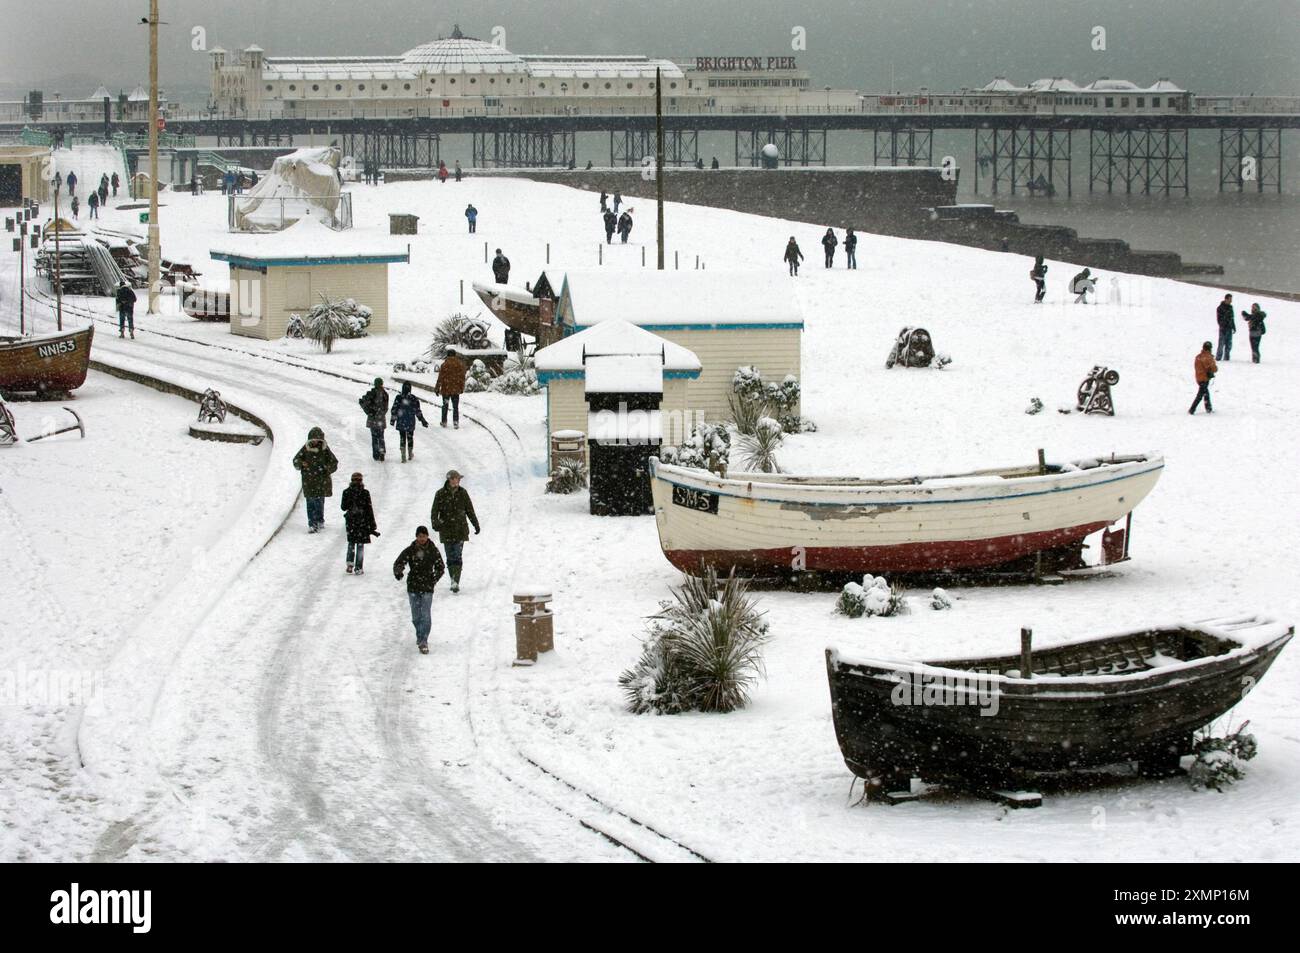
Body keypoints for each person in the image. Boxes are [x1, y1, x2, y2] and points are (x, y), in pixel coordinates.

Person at [392, 526, 445, 654]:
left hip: (427, 586)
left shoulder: (433, 551)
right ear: (416, 537)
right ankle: (420, 634)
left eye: (424, 536)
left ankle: (423, 640)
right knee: (416, 616)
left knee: (425, 615)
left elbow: (440, 567)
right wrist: (398, 571)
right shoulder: (410, 550)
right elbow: (399, 562)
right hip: (413, 586)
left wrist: (433, 579)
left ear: (427, 536)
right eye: (419, 536)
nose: (422, 539)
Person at [430, 469, 480, 593]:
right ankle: (453, 577)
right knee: (449, 556)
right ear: (449, 480)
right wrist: (435, 523)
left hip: (460, 530)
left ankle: (455, 581)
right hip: (446, 529)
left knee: (457, 555)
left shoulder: (463, 493)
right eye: (453, 479)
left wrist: (476, 524)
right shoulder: (440, 494)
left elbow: (469, 510)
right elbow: (434, 511)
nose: (455, 481)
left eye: (457, 479)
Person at [292, 426, 339, 532]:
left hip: (321, 481)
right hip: (309, 482)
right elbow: (296, 461)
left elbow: (334, 463)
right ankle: (312, 524)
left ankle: (319, 520)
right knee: (311, 503)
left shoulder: (325, 450)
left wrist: (327, 468)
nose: (315, 442)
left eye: (317, 440)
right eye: (313, 440)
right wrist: (302, 463)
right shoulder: (305, 449)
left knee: (319, 502)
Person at [341, 472, 380, 574]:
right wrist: (372, 524)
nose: (357, 482)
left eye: (358, 480)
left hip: (352, 521)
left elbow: (343, 507)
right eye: (356, 480)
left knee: (352, 543)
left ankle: (350, 565)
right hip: (362, 521)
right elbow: (369, 508)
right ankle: (358, 567)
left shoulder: (347, 492)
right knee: (359, 545)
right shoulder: (364, 493)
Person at [389, 381, 429, 463]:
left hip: (401, 421)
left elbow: (394, 409)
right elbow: (418, 411)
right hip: (410, 421)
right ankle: (410, 454)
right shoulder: (413, 398)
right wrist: (422, 420)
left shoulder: (399, 398)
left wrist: (393, 420)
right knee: (410, 437)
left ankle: (403, 456)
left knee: (402, 437)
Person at [435, 347, 467, 429]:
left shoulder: (444, 365)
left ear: (447, 355)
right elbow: (462, 377)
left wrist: (437, 388)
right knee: (455, 407)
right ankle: (455, 422)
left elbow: (440, 378)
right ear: (455, 355)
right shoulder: (459, 365)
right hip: (456, 390)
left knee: (445, 405)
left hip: (446, 389)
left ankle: (444, 421)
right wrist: (461, 387)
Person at [359, 377, 389, 461]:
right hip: (381, 419)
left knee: (374, 437)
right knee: (381, 437)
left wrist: (370, 411)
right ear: (382, 384)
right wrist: (381, 414)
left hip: (373, 419)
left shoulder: (370, 393)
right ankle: (382, 451)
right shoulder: (385, 394)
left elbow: (364, 404)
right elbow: (386, 407)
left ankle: (376, 455)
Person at [1189, 342, 1217, 415]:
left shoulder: (1198, 356)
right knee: (1201, 395)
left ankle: (1208, 408)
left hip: (1199, 378)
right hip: (1205, 378)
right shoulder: (1208, 357)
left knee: (1205, 393)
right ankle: (1192, 409)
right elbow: (1214, 368)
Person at [1215, 293, 1236, 360]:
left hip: (1229, 328)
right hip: (1223, 329)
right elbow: (1219, 319)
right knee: (1221, 344)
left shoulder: (1230, 308)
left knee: (1229, 345)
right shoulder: (1220, 308)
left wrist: (1233, 326)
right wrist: (1223, 325)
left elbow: (1232, 318)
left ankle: (1227, 357)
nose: (1231, 301)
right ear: (1226, 299)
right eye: (1230, 299)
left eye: (1231, 299)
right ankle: (1218, 358)